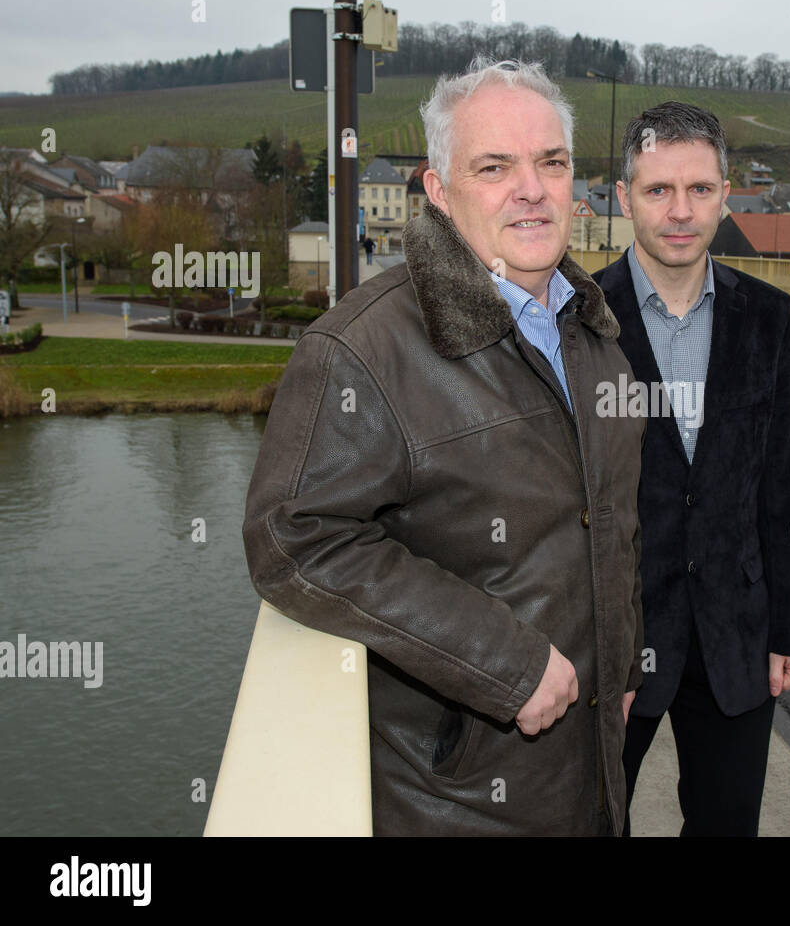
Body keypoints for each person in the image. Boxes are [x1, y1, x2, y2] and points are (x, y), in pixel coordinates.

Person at [242, 56, 645, 836]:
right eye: (494, 166)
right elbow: (291, 539)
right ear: (437, 190)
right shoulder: (361, 349)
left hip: (594, 778)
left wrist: (626, 666)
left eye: (551, 163)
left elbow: (619, 527)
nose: (531, 189)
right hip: (457, 805)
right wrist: (503, 661)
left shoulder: (595, 335)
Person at [592, 102, 790, 837]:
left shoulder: (770, 318)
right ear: (624, 199)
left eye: (699, 189)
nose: (680, 211)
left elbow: (786, 486)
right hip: (615, 642)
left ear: (726, 194)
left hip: (736, 638)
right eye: (659, 191)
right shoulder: (578, 319)